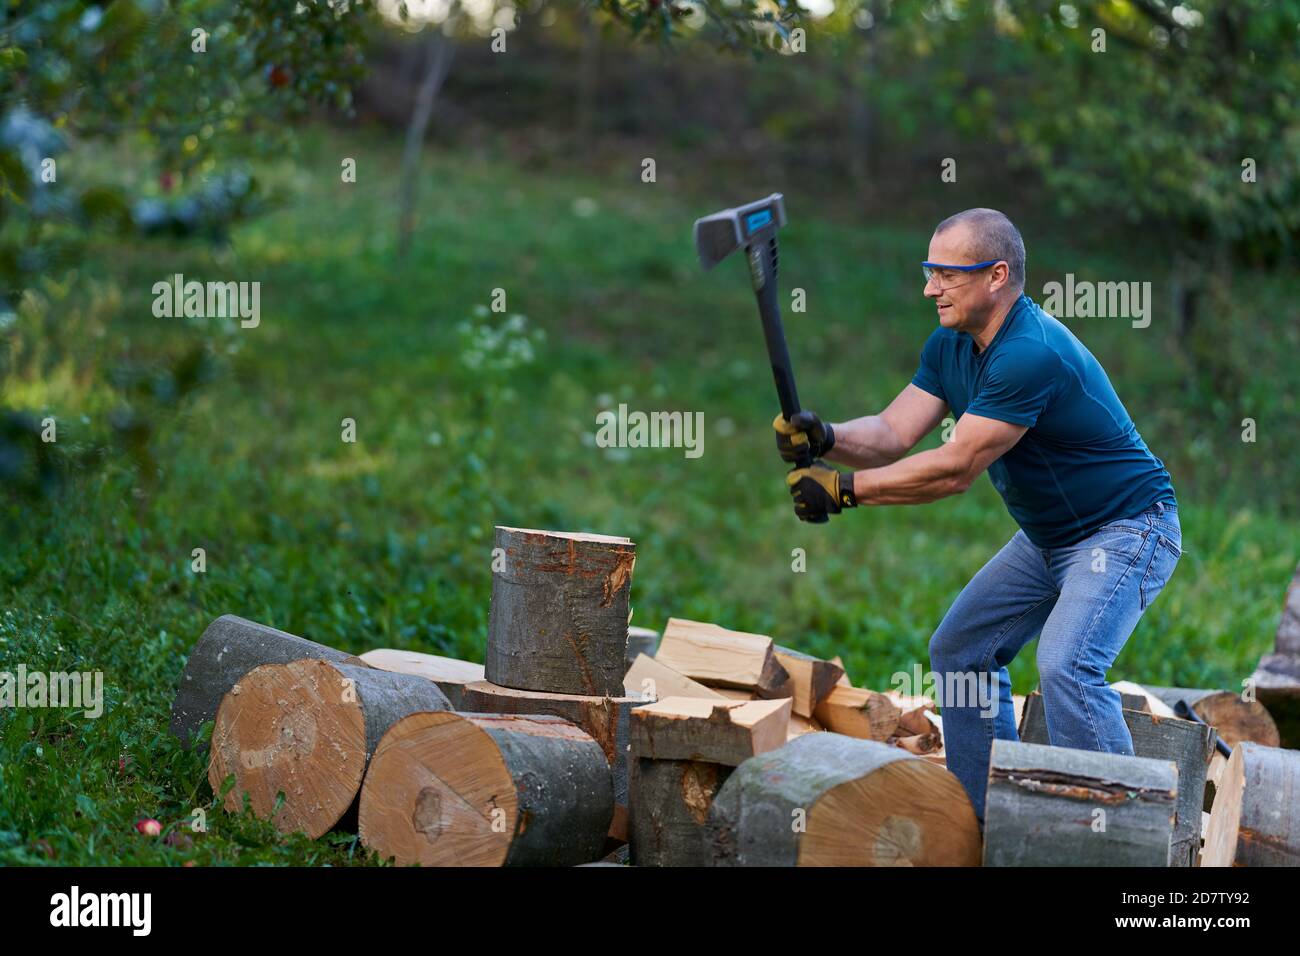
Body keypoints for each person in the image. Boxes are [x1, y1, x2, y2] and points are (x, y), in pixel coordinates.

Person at [775, 207, 1180, 822]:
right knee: (961, 649)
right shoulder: (952, 345)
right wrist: (825, 437)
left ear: (996, 275)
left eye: (945, 273)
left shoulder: (1029, 353)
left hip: (1128, 529)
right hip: (1049, 537)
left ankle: (1124, 838)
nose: (929, 287)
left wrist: (844, 491)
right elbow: (890, 431)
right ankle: (986, 821)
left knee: (1068, 665)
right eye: (927, 270)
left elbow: (954, 467)